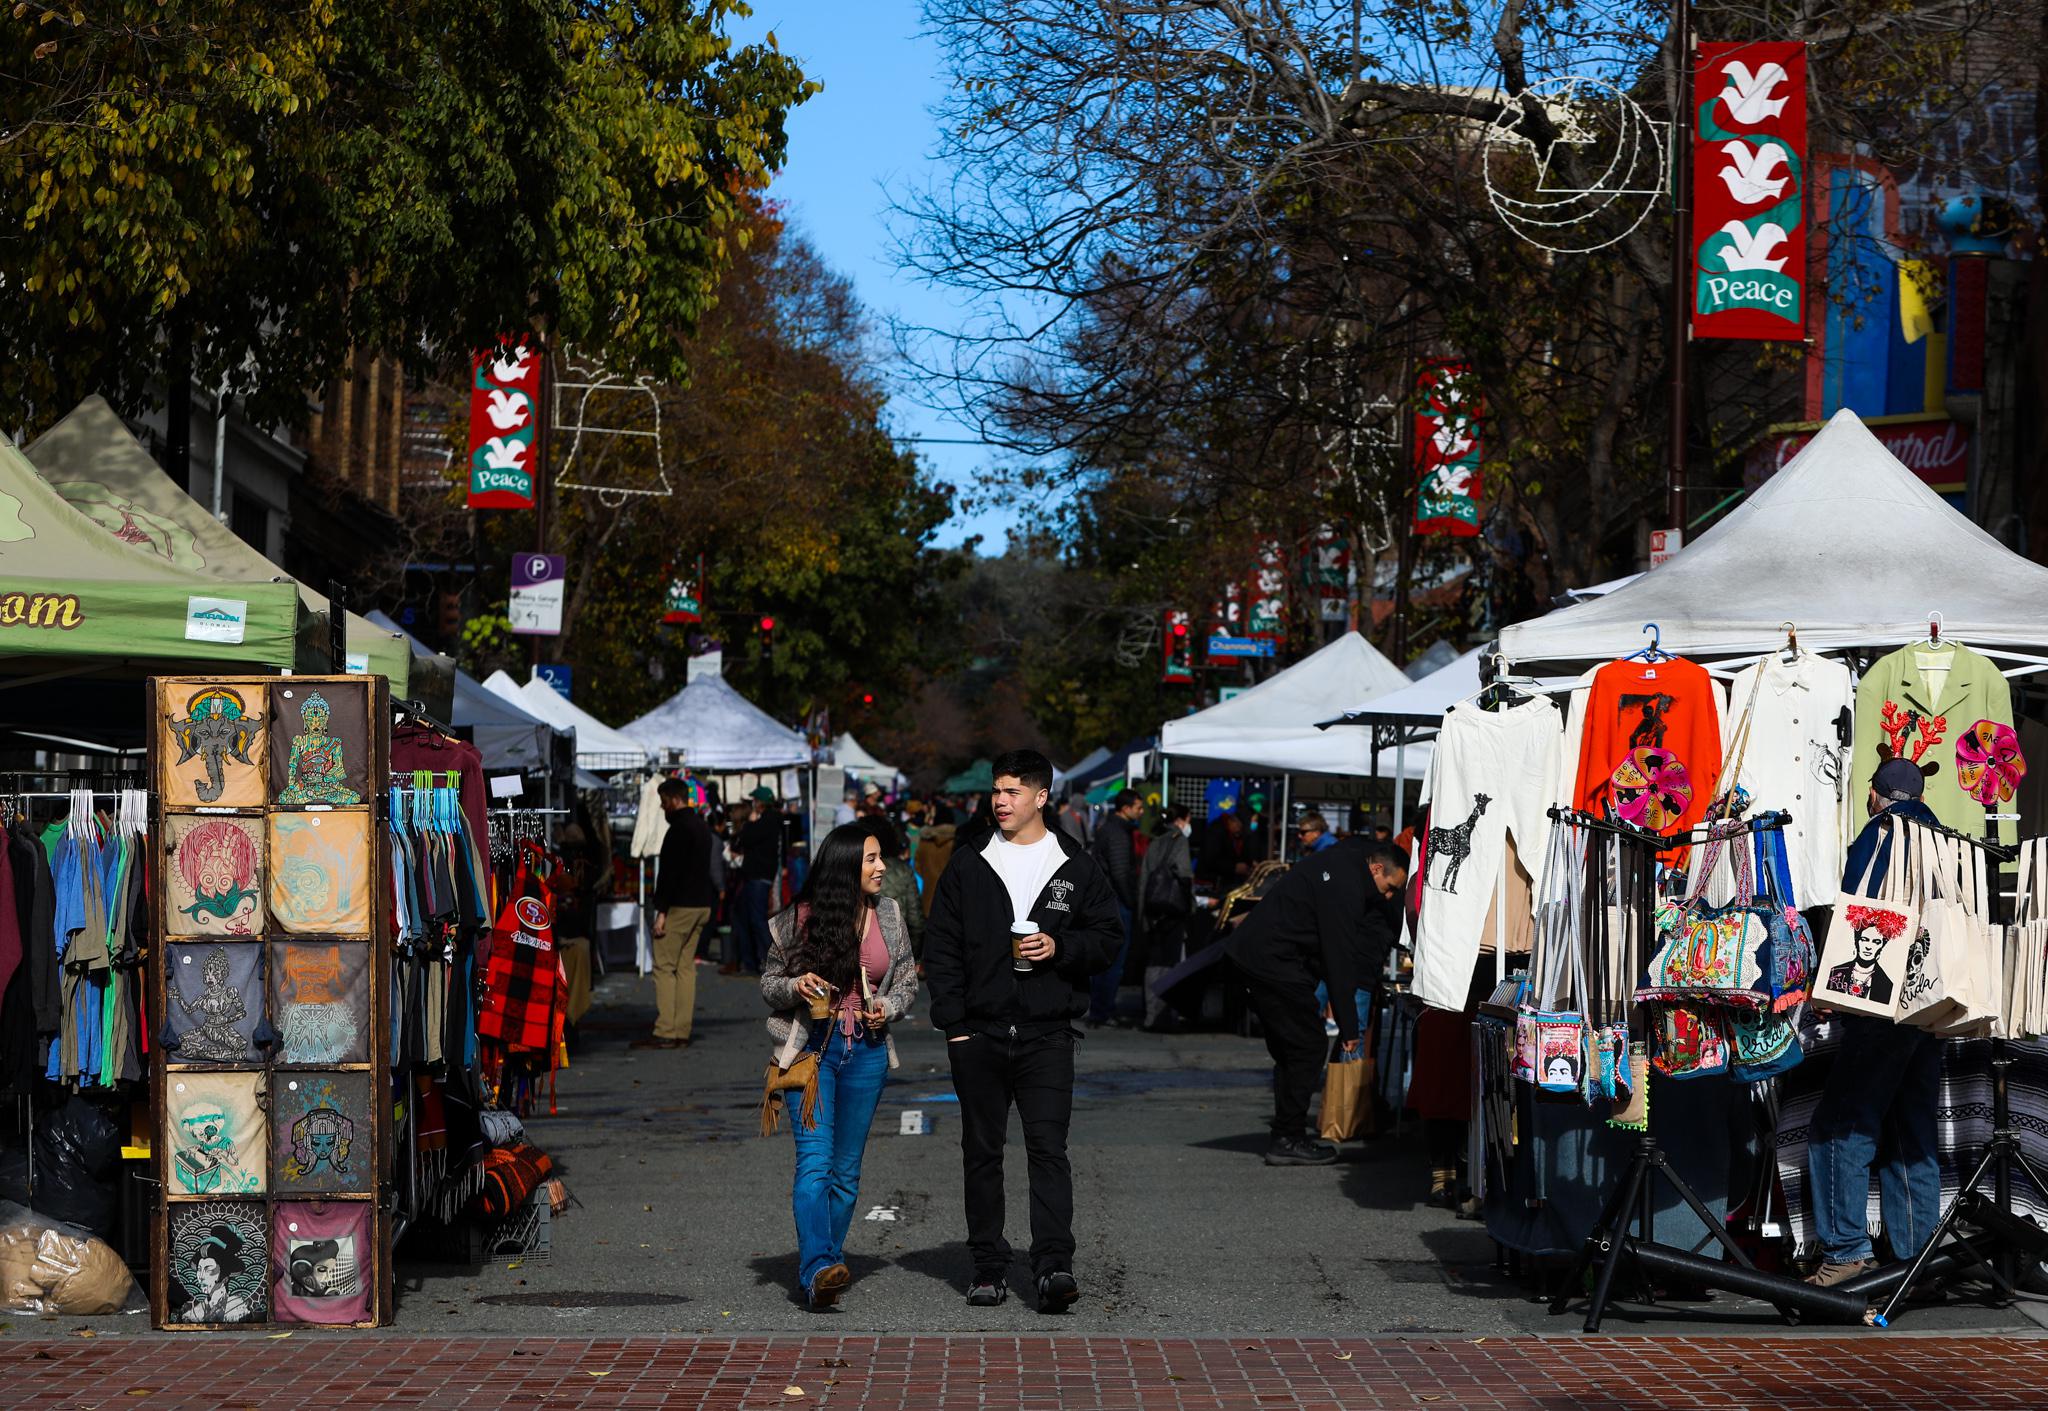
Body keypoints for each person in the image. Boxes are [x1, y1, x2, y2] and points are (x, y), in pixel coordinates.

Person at [924, 748, 1122, 1312]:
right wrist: (955, 1025)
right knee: (982, 1153)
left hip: (1048, 1034)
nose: (1001, 802)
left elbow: (1109, 938)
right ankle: (987, 1266)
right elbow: (941, 948)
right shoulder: (969, 861)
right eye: (997, 791)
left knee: (1048, 1151)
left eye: (1012, 792)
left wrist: (1062, 947)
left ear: (1041, 797)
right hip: (979, 1034)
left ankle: (1053, 1266)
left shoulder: (1075, 864)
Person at [760, 824, 919, 1310]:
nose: (881, 867)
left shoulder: (889, 914)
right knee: (815, 1163)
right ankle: (818, 1268)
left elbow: (908, 980)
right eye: (871, 859)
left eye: (881, 858)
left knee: (846, 1173)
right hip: (812, 1056)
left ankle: (824, 1260)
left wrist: (886, 1008)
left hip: (867, 1053)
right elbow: (768, 983)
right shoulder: (796, 920)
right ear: (846, 865)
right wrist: (796, 986)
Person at [1805, 755, 1944, 1288]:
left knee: (1842, 1124)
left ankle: (1845, 1253)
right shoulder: (1946, 842)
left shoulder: (1881, 832)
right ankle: (1918, 1262)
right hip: (1929, 1001)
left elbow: (1860, 911)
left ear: (1878, 793)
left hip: (1882, 1000)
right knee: (1911, 1130)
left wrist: (1832, 986)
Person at [1225, 837, 1409, 1166]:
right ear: (1377, 868)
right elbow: (1338, 963)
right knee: (1307, 1046)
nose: (1389, 897)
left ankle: (1287, 1131)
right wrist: (1349, 1026)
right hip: (1272, 963)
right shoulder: (1347, 890)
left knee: (1291, 1047)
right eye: (1390, 887)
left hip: (1260, 958)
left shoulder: (1347, 863)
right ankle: (1287, 1137)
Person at [636, 778, 714, 1049]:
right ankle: (682, 1028)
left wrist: (661, 912)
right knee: (685, 968)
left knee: (665, 967)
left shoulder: (679, 830)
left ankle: (667, 1029)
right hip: (701, 904)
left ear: (674, 799)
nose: (661, 806)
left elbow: (669, 876)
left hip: (680, 905)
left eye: (663, 800)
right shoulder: (701, 827)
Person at [1086, 789, 1143, 1025]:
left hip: (1107, 901)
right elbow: (1120, 873)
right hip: (1116, 902)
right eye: (1138, 807)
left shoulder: (1110, 829)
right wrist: (1131, 901)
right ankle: (1103, 1009)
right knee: (1114, 961)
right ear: (1125, 808)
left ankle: (1101, 1008)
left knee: (1107, 959)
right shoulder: (1118, 833)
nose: (1141, 812)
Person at [1136, 804, 1195, 1030]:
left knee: (1154, 962)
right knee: (1170, 963)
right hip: (1172, 909)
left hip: (1152, 909)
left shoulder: (1156, 838)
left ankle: (1151, 1014)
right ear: (1182, 819)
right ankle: (1163, 1014)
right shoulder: (1178, 839)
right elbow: (1184, 873)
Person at [730, 787, 785, 975]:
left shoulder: (767, 821)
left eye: (754, 800)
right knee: (746, 918)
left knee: (756, 920)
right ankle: (751, 961)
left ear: (759, 803)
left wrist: (750, 824)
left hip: (758, 876)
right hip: (757, 875)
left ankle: (768, 961)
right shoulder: (772, 821)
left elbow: (746, 838)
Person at [860, 815, 926, 966]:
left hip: (862, 954)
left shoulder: (855, 870)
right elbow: (916, 921)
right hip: (897, 951)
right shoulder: (904, 870)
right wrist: (913, 957)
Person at [1201, 810, 1252, 887]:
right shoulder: (1216, 832)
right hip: (1211, 881)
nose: (1238, 830)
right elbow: (1211, 860)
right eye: (1238, 827)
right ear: (1231, 821)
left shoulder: (1232, 834)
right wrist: (1234, 867)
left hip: (1224, 880)